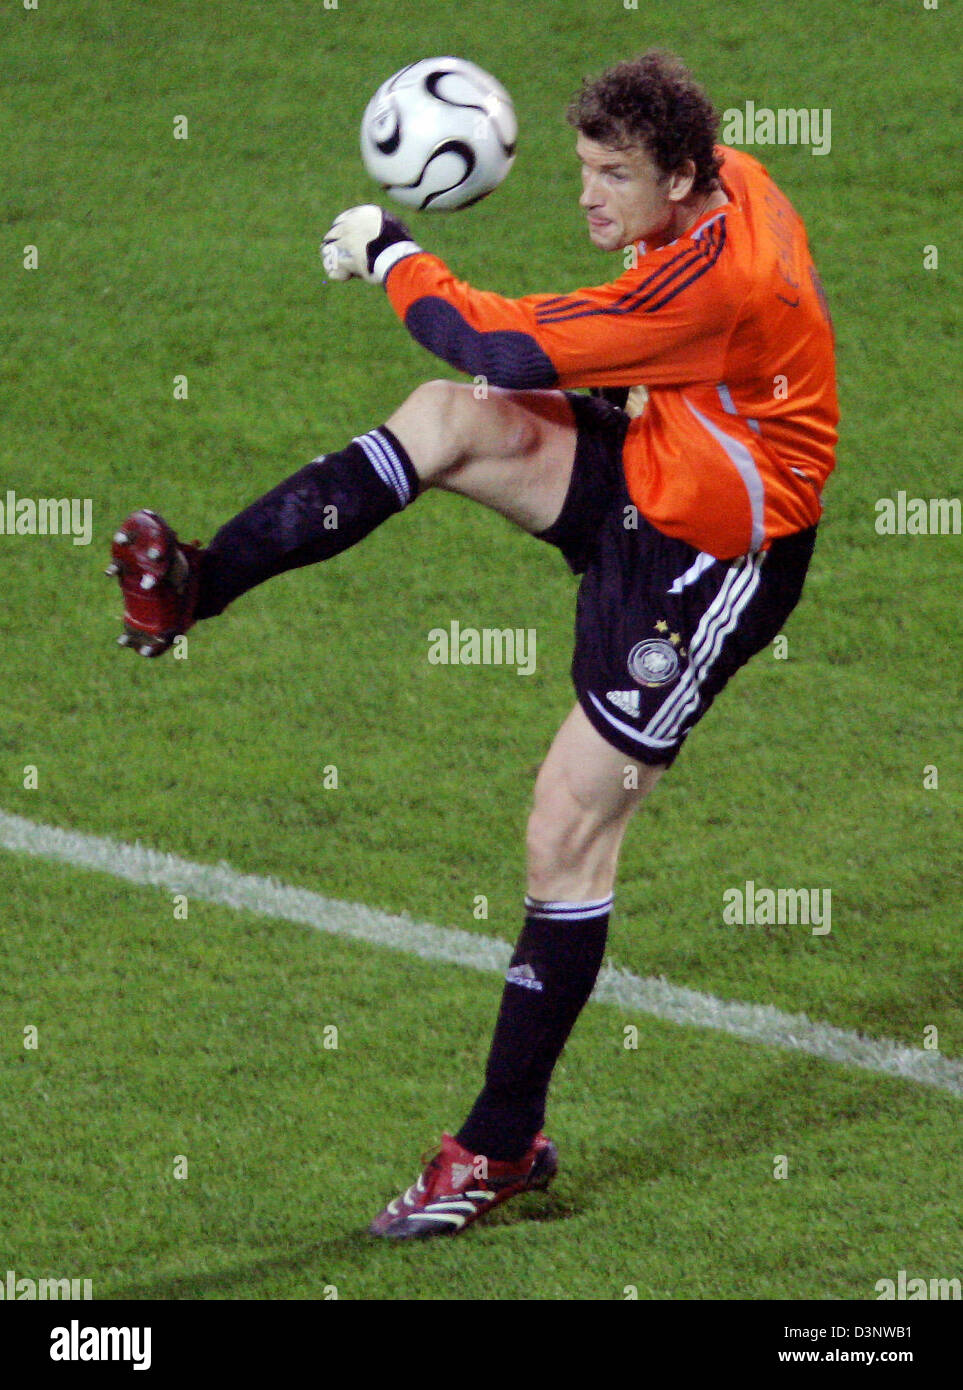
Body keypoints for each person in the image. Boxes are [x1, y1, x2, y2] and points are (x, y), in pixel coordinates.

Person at [108, 50, 838, 1239]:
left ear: (687, 176)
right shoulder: (723, 185)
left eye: (615, 176)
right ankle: (194, 587)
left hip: (711, 566)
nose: (591, 198)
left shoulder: (723, 276)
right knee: (448, 423)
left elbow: (498, 341)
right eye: (584, 169)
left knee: (566, 827)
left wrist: (392, 251)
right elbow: (519, 363)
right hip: (656, 474)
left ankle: (501, 1144)